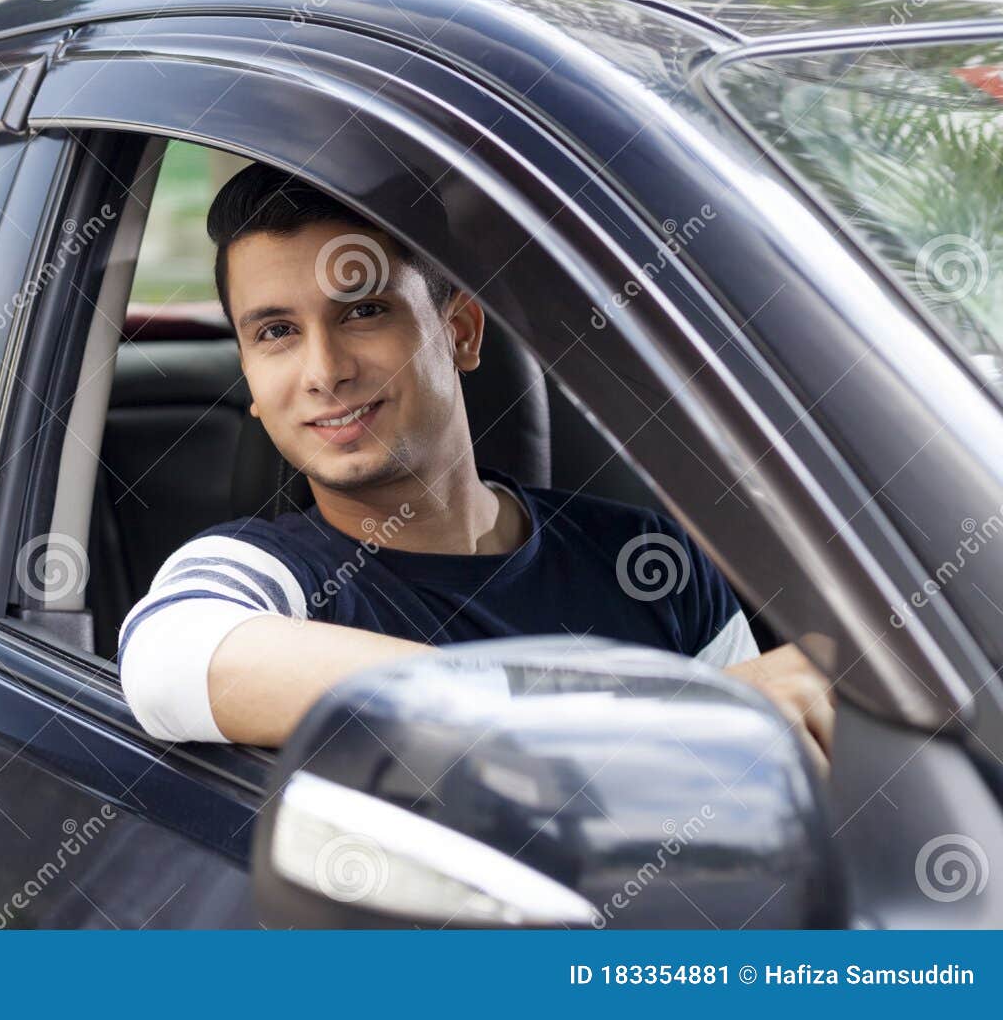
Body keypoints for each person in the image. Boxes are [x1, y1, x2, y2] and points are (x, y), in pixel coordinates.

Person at [116, 163, 834, 769]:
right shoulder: (268, 576)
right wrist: (668, 712)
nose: (325, 370)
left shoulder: (650, 558)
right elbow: (167, 664)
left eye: (363, 311)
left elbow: (758, 791)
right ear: (248, 376)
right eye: (276, 332)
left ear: (458, 331)